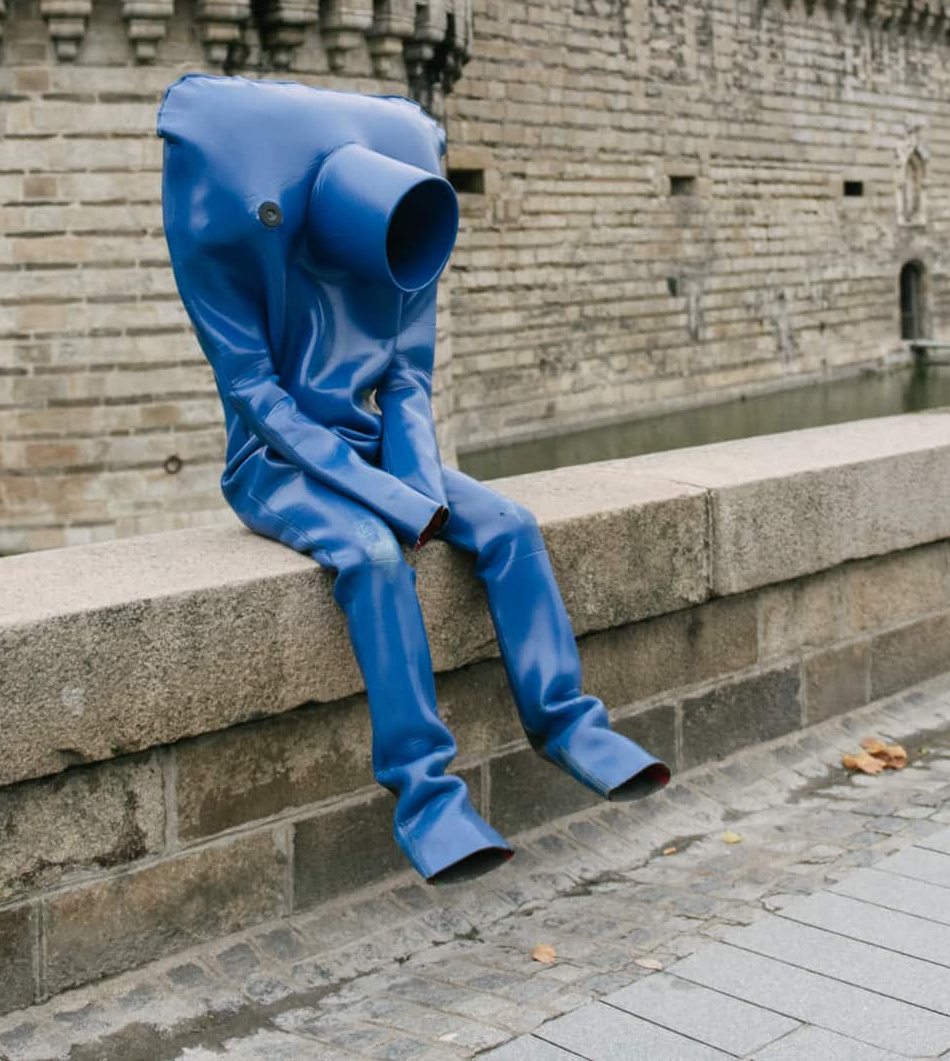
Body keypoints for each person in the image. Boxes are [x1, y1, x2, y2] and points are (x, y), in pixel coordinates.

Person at [158, 74, 668, 884]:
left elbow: (406, 383)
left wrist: (417, 483)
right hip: (273, 465)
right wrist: (389, 502)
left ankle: (572, 723)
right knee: (370, 554)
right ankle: (426, 799)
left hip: (369, 448)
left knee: (508, 523)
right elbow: (255, 396)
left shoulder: (403, 233)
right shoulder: (236, 228)